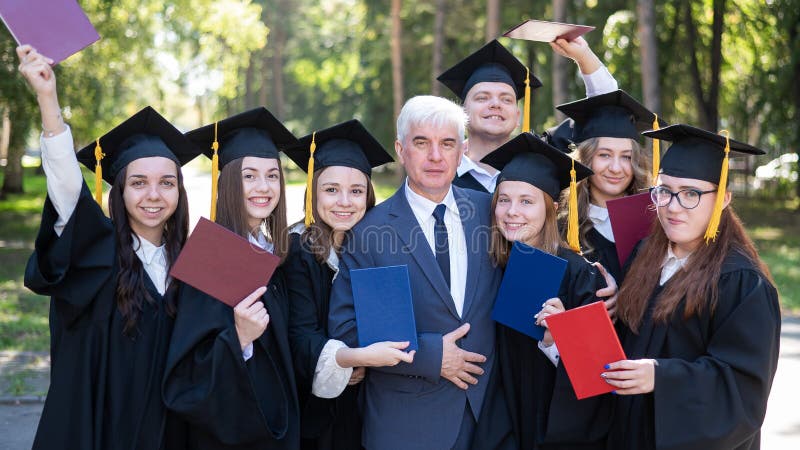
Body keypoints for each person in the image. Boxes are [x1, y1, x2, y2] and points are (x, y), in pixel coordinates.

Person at [18, 44, 200, 449]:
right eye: (138, 182)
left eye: (166, 183)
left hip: (172, 433)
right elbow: (66, 186)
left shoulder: (193, 264)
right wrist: (48, 99)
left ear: (179, 191)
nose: (153, 195)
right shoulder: (95, 254)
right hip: (102, 431)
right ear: (118, 190)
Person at [327, 95, 514, 450]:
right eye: (421, 142)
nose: (435, 156)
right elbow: (349, 328)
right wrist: (430, 355)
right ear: (401, 149)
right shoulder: (371, 232)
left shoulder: (491, 215)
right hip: (408, 425)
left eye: (447, 143)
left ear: (462, 152)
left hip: (490, 419)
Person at [603, 124, 781, 450]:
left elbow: (742, 389)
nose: (672, 206)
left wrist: (661, 376)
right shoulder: (645, 256)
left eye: (690, 194)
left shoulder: (741, 282)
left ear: (723, 199)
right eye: (664, 190)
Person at [162, 108, 301, 449]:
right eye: (249, 176)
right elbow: (185, 375)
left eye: (272, 175)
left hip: (277, 426)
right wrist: (237, 339)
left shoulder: (278, 254)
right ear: (227, 181)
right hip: (225, 434)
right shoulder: (208, 258)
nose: (264, 187)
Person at [282, 119, 415, 449]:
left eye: (356, 191)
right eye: (331, 190)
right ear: (313, 192)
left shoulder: (376, 244)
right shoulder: (297, 250)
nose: (344, 201)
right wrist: (353, 358)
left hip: (372, 406)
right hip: (316, 412)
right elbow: (300, 336)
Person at [481, 132, 613, 449]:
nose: (512, 211)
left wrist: (557, 342)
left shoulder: (580, 276)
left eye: (527, 201)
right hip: (502, 427)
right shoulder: (494, 264)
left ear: (552, 207)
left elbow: (600, 379)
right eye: (504, 200)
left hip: (554, 432)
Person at [437, 37, 618, 193]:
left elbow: (606, 112)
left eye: (506, 99)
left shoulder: (541, 159)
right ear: (462, 112)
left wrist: (583, 55)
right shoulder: (439, 167)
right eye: (482, 97)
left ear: (517, 117)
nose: (495, 104)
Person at [555, 90, 662, 283]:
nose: (615, 168)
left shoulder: (656, 221)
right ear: (586, 160)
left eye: (626, 157)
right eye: (604, 155)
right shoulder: (562, 226)